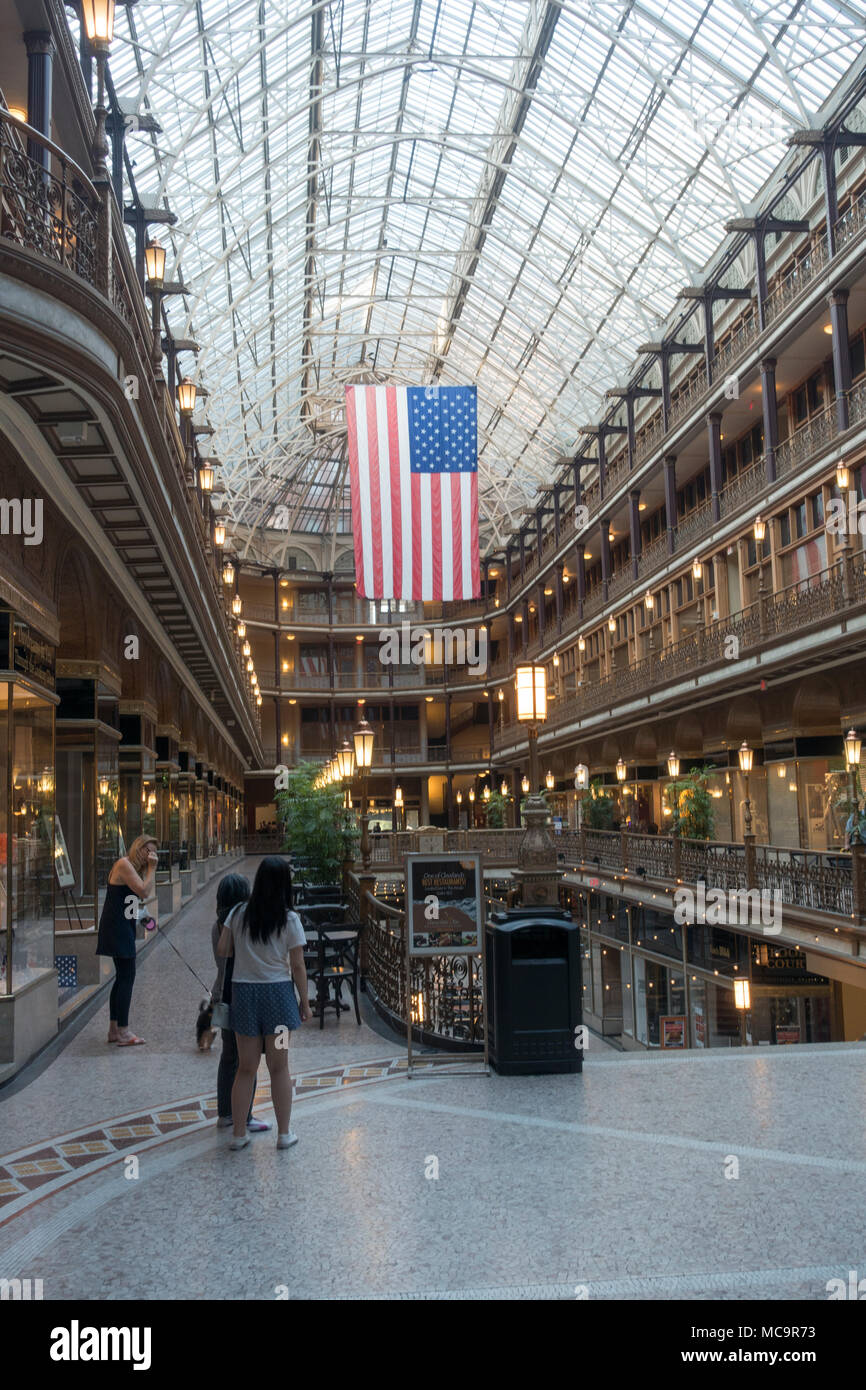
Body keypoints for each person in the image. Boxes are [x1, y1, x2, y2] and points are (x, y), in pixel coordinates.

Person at [218, 856, 312, 1151]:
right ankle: (284, 1134)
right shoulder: (289, 919)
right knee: (279, 1067)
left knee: (245, 1068)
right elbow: (297, 966)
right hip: (279, 1000)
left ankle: (238, 1135)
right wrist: (305, 1002)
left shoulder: (238, 913)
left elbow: (223, 949)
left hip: (244, 997)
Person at [211, 873, 270, 1135]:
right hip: (243, 996)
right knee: (248, 1059)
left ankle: (225, 1113)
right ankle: (244, 1116)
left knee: (228, 1057)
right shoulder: (242, 925)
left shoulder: (218, 925)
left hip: (222, 994)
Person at [96, 835, 159, 1046]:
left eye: (153, 853)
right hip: (116, 928)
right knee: (127, 977)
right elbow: (144, 890)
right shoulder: (124, 864)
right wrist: (152, 869)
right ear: (138, 847)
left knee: (122, 976)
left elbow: (132, 901)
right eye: (147, 851)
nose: (150, 856)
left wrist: (144, 919)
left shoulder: (132, 868)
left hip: (122, 926)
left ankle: (114, 1029)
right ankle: (123, 1031)